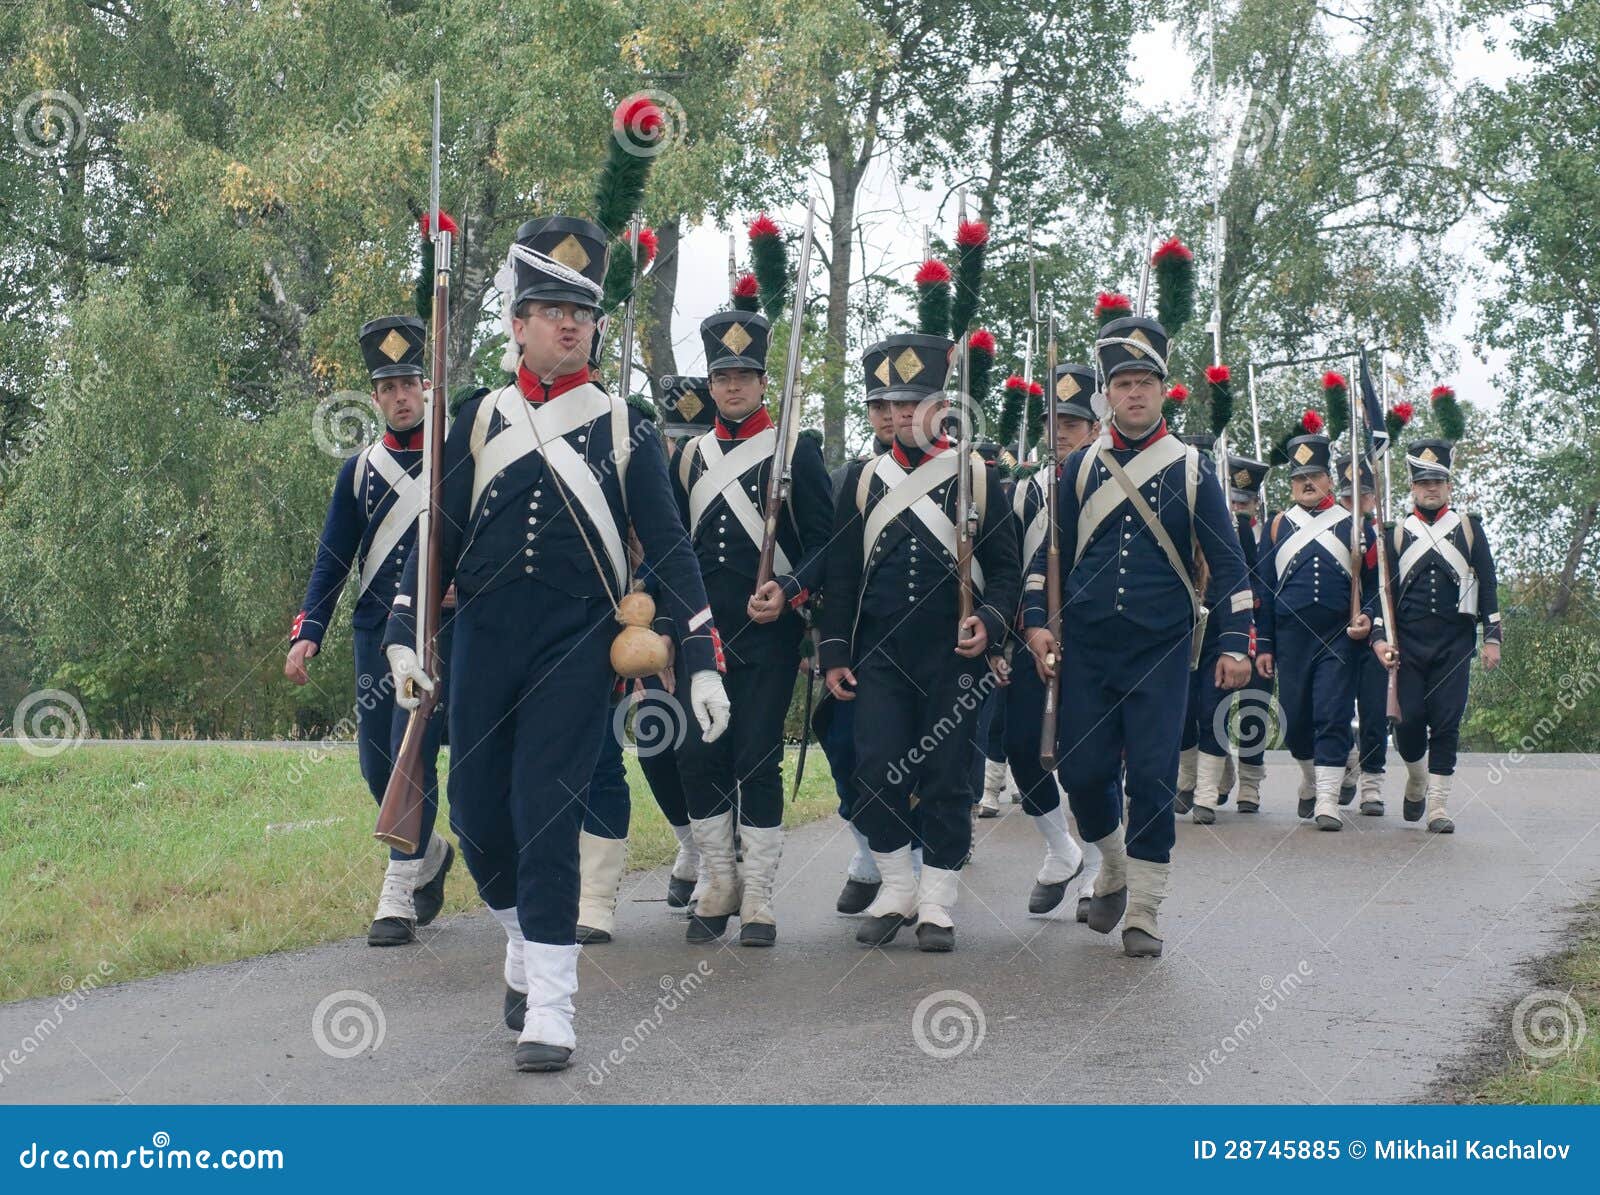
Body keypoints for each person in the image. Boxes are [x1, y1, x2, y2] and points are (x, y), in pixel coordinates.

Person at [384, 215, 730, 1073]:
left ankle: (552, 1003)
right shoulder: (473, 421)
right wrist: (403, 632)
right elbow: (435, 536)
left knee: (547, 813)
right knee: (474, 812)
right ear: (516, 321)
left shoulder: (625, 428)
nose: (567, 322)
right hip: (483, 640)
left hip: (576, 645)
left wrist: (698, 654)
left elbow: (672, 545)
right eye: (548, 306)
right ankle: (518, 935)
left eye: (580, 309)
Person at [1022, 315, 1253, 958]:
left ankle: (1145, 909)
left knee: (1151, 778)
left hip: (1161, 647)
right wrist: (1037, 620)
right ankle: (1113, 867)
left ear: (1162, 389)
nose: (1134, 393)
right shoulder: (1078, 470)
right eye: (1122, 382)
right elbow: (1051, 555)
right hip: (1088, 649)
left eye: (1144, 381)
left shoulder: (1191, 469)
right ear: (1107, 393)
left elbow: (1229, 563)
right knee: (1084, 771)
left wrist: (1235, 641)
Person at [820, 332, 1020, 952]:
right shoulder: (858, 479)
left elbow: (1009, 571)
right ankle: (897, 885)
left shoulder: (978, 476)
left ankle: (937, 898)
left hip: (952, 656)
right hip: (880, 653)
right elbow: (841, 572)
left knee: (949, 776)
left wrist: (989, 619)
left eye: (909, 404)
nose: (895, 416)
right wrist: (833, 650)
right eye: (883, 406)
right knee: (873, 767)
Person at [285, 314, 453, 947]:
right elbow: (333, 558)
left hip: (439, 632)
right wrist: (310, 630)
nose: (401, 395)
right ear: (375, 397)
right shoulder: (358, 471)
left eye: (411, 381)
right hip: (372, 633)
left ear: (425, 388)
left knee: (414, 753)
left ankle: (399, 888)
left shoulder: (455, 465)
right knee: (376, 762)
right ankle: (431, 852)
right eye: (388, 387)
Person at [668, 310, 832, 945]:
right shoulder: (689, 459)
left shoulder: (796, 451)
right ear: (710, 384)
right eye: (722, 376)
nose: (733, 386)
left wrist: (791, 590)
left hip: (768, 631)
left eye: (744, 375)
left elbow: (826, 543)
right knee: (694, 756)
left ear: (764, 382)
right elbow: (673, 549)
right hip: (701, 634)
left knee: (755, 757)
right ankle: (719, 879)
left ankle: (759, 895)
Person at [1003, 364, 1108, 916]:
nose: (1062, 429)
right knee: (1021, 744)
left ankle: (1095, 864)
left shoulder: (1112, 484)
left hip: (1094, 639)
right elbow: (1007, 567)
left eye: (1074, 420)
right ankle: (1060, 848)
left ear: (1095, 428)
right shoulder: (1025, 491)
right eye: (1055, 420)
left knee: (1089, 758)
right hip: (1030, 633)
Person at [1371, 437, 1502, 832]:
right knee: (1408, 722)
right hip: (1408, 644)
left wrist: (1492, 638)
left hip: (1454, 642)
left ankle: (1439, 807)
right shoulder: (1395, 533)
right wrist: (1380, 637)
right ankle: (1417, 778)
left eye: (1438, 482)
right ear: (1412, 487)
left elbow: (1489, 585)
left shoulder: (1468, 529)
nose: (1431, 488)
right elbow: (1384, 592)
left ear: (1448, 485)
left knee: (1446, 722)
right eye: (1424, 482)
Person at [1254, 433, 1376, 830]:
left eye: (1315, 475)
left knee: (1332, 713)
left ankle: (1327, 800)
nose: (1307, 483)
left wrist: (1367, 619)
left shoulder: (1353, 525)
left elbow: (1377, 587)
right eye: (1299, 477)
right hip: (1291, 638)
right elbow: (1264, 592)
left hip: (1338, 637)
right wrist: (1266, 643)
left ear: (1329, 479)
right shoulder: (1277, 527)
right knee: (1294, 720)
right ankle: (1312, 778)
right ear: (1290, 483)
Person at [1337, 453, 1390, 816]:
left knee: (1373, 712)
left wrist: (1370, 615)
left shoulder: (1383, 537)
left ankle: (1371, 783)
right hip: (1334, 635)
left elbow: (1383, 586)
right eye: (1348, 497)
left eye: (1363, 496)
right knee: (1334, 709)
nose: (1356, 504)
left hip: (1375, 635)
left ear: (1373, 498)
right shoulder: (1328, 532)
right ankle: (1345, 759)